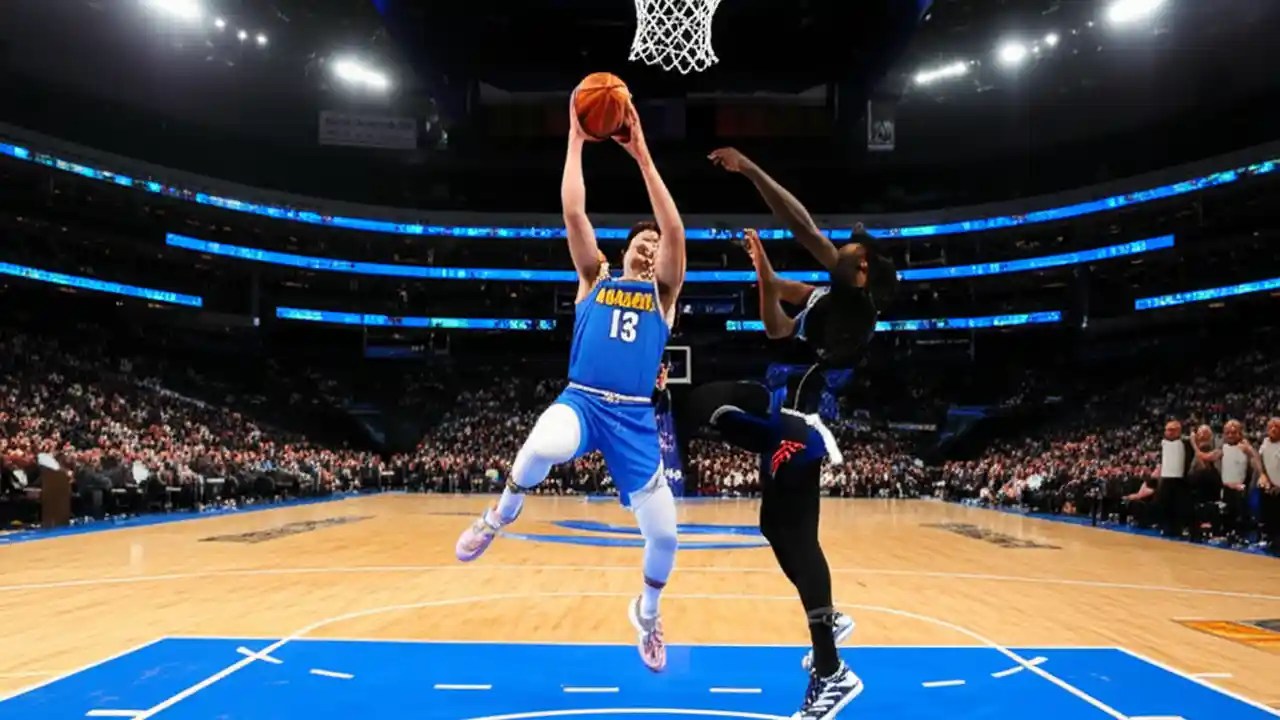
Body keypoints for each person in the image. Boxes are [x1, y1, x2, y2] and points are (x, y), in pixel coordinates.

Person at [454, 90, 686, 673]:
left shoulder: (663, 294)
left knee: (665, 537)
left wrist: (643, 158)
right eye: (643, 240)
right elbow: (574, 215)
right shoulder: (594, 276)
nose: (652, 243)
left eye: (655, 243)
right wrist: (576, 142)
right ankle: (497, 517)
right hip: (582, 401)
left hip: (633, 416)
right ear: (628, 249)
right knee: (544, 445)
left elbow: (676, 228)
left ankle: (649, 616)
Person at [683, 147, 899, 720]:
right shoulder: (828, 296)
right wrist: (761, 267)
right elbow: (777, 326)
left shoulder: (859, 302)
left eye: (850, 245)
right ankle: (828, 623)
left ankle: (831, 668)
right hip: (785, 412)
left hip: (805, 426)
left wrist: (751, 170)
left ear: (861, 268)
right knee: (777, 526)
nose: (842, 243)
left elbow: (800, 223)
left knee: (706, 402)